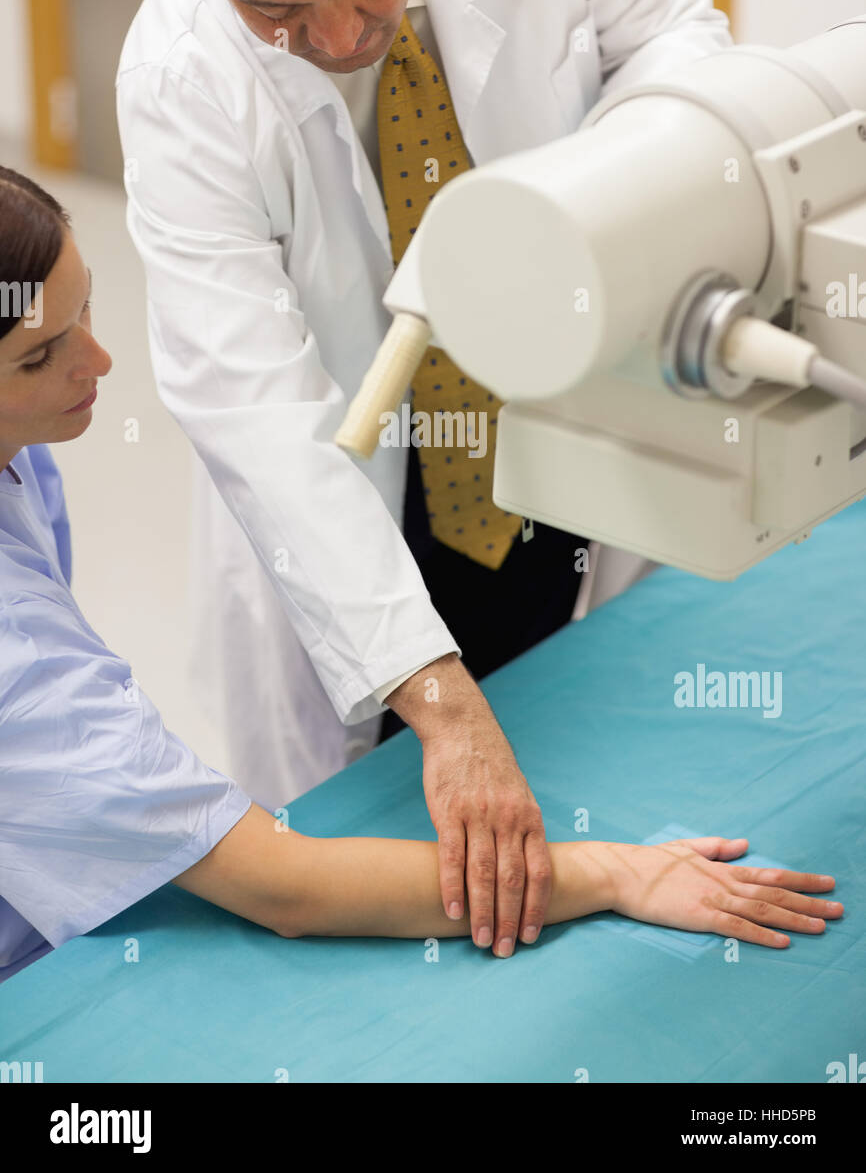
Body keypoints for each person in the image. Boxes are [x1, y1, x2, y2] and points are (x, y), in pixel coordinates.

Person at [117, 0, 735, 954]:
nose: (342, 40)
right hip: (353, 508)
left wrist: (585, 220)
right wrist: (441, 703)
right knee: (397, 854)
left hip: (553, 414)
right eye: (277, 12)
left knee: (590, 722)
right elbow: (257, 412)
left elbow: (672, 37)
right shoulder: (179, 78)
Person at [0, 167, 845, 981]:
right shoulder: (21, 667)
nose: (101, 362)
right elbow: (281, 886)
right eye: (40, 358)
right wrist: (613, 874)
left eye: (87, 314)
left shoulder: (22, 458)